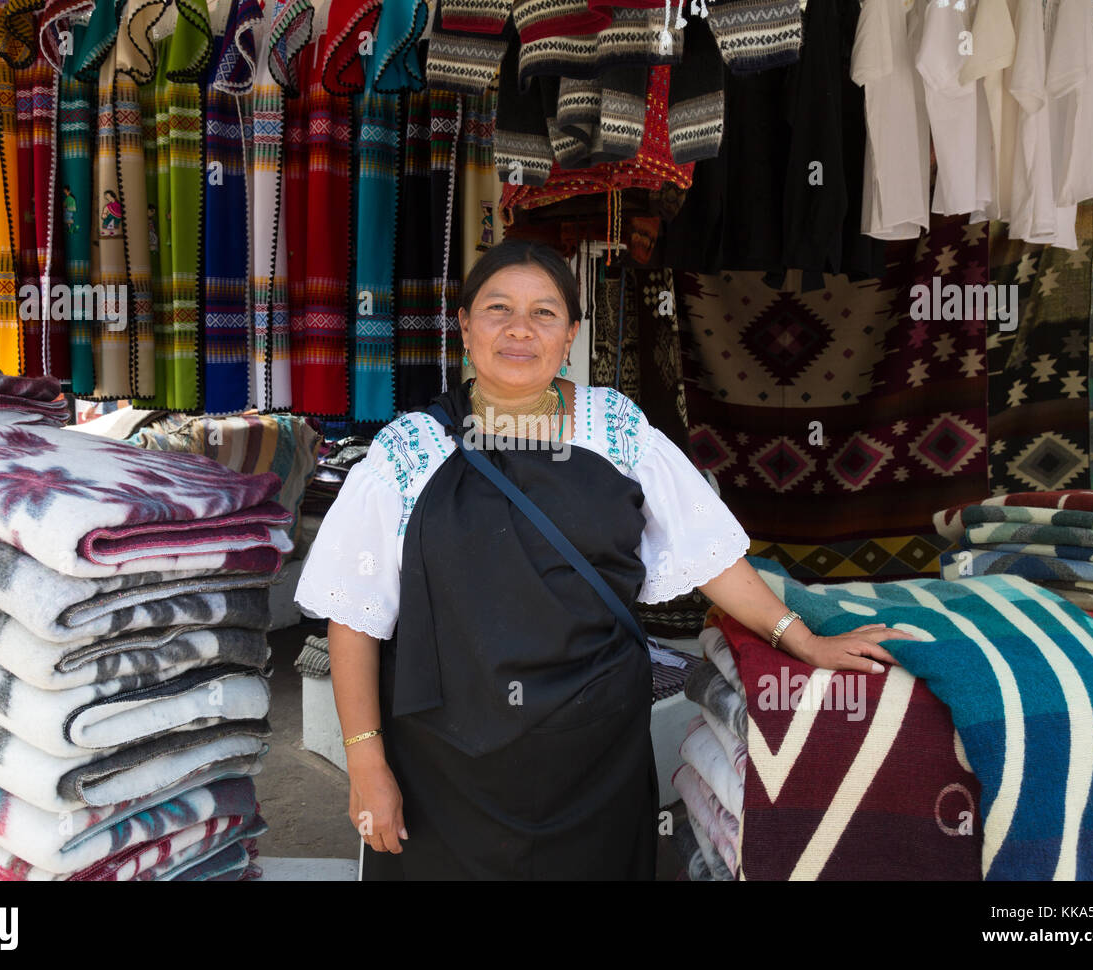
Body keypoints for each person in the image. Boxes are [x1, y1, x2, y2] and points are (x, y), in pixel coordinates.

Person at [294, 239, 911, 880]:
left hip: (593, 753)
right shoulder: (407, 452)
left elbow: (708, 554)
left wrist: (802, 639)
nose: (519, 329)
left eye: (544, 313)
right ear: (465, 326)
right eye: (498, 308)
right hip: (445, 763)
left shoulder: (612, 429)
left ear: (571, 335)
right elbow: (355, 616)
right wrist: (367, 766)